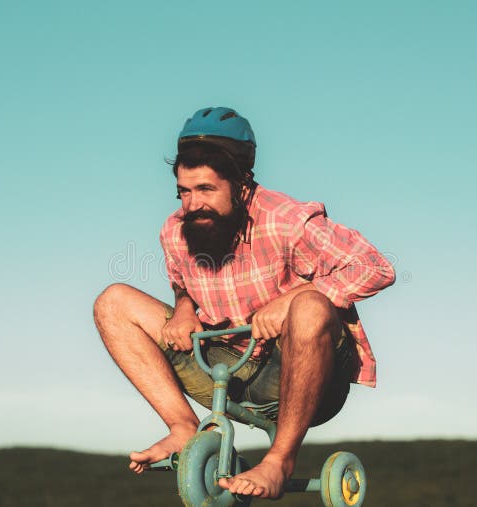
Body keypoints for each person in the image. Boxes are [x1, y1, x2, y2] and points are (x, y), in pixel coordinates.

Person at [93, 106, 395, 499]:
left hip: (300, 377)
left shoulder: (286, 219)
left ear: (241, 183)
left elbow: (375, 267)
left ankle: (280, 459)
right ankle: (184, 428)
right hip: (226, 368)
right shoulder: (176, 230)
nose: (192, 204)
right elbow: (181, 283)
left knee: (309, 307)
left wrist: (293, 299)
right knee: (112, 303)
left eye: (206, 190)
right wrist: (184, 307)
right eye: (184, 191)